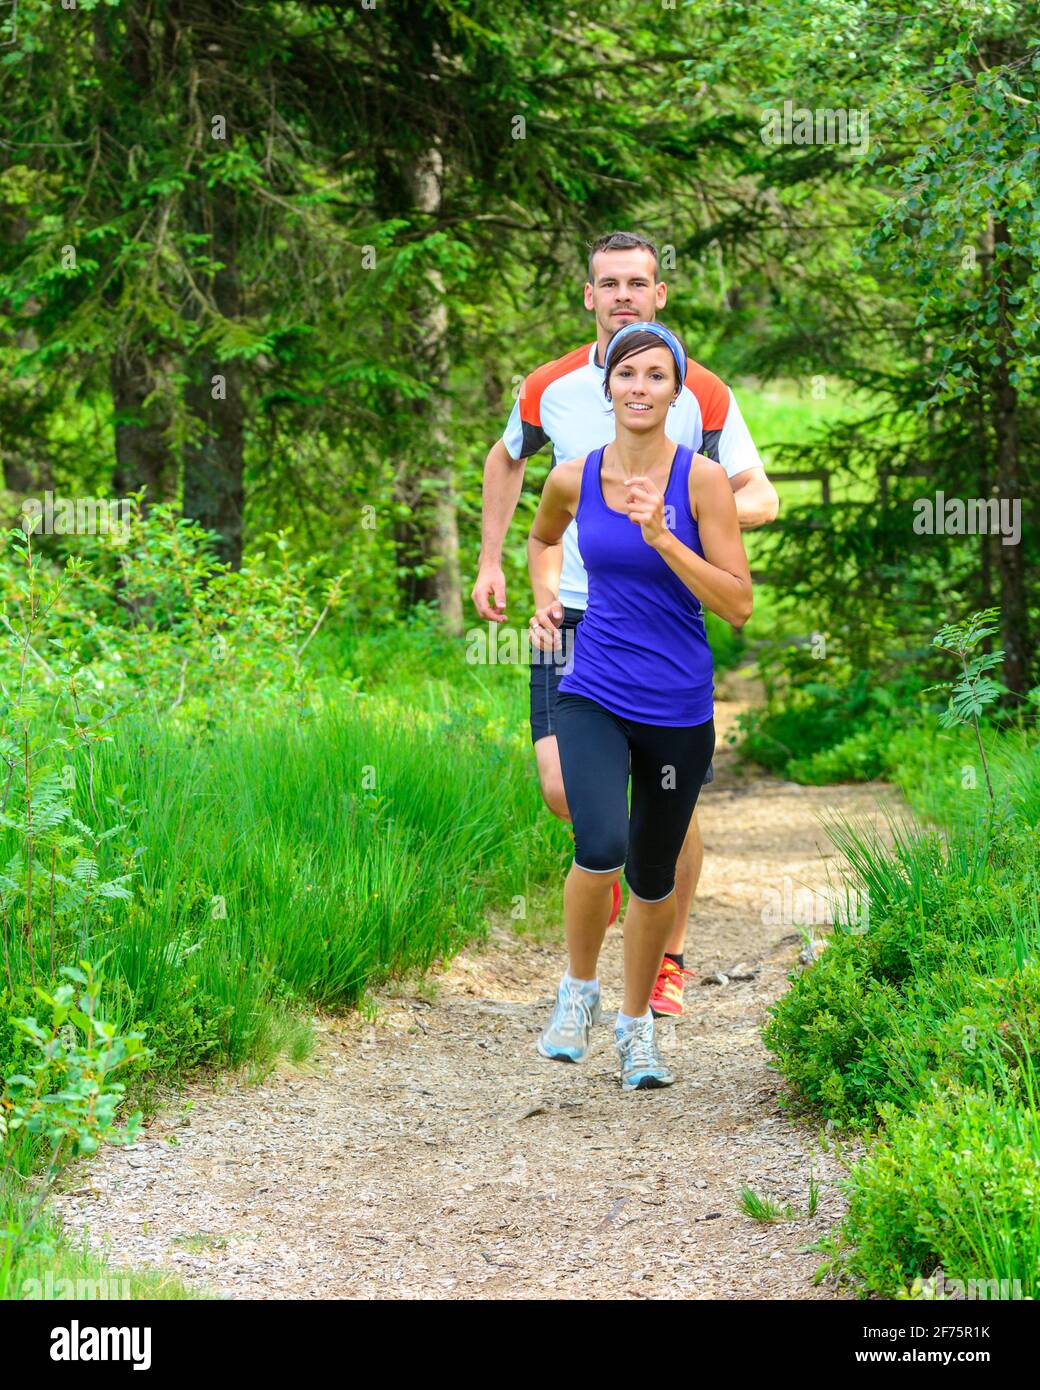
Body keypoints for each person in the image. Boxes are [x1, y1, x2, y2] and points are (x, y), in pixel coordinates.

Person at [472, 230, 777, 1018]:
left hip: (662, 607)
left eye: (637, 284)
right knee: (563, 789)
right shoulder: (551, 387)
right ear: (588, 296)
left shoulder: (697, 390)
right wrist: (492, 561)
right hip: (572, 611)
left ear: (658, 294)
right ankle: (609, 878)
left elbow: (761, 496)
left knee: (671, 800)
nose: (623, 297)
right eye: (609, 285)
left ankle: (664, 956)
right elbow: (508, 460)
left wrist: (685, 521)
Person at [528, 321, 752, 1090]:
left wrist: (662, 537)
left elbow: (738, 603)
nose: (640, 388)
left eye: (657, 376)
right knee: (599, 842)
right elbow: (543, 537)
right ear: (609, 388)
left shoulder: (702, 482)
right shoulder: (574, 476)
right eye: (628, 375)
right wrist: (543, 598)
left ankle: (636, 1028)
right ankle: (578, 993)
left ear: (676, 392)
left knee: (655, 879)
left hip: (678, 704)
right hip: (593, 686)